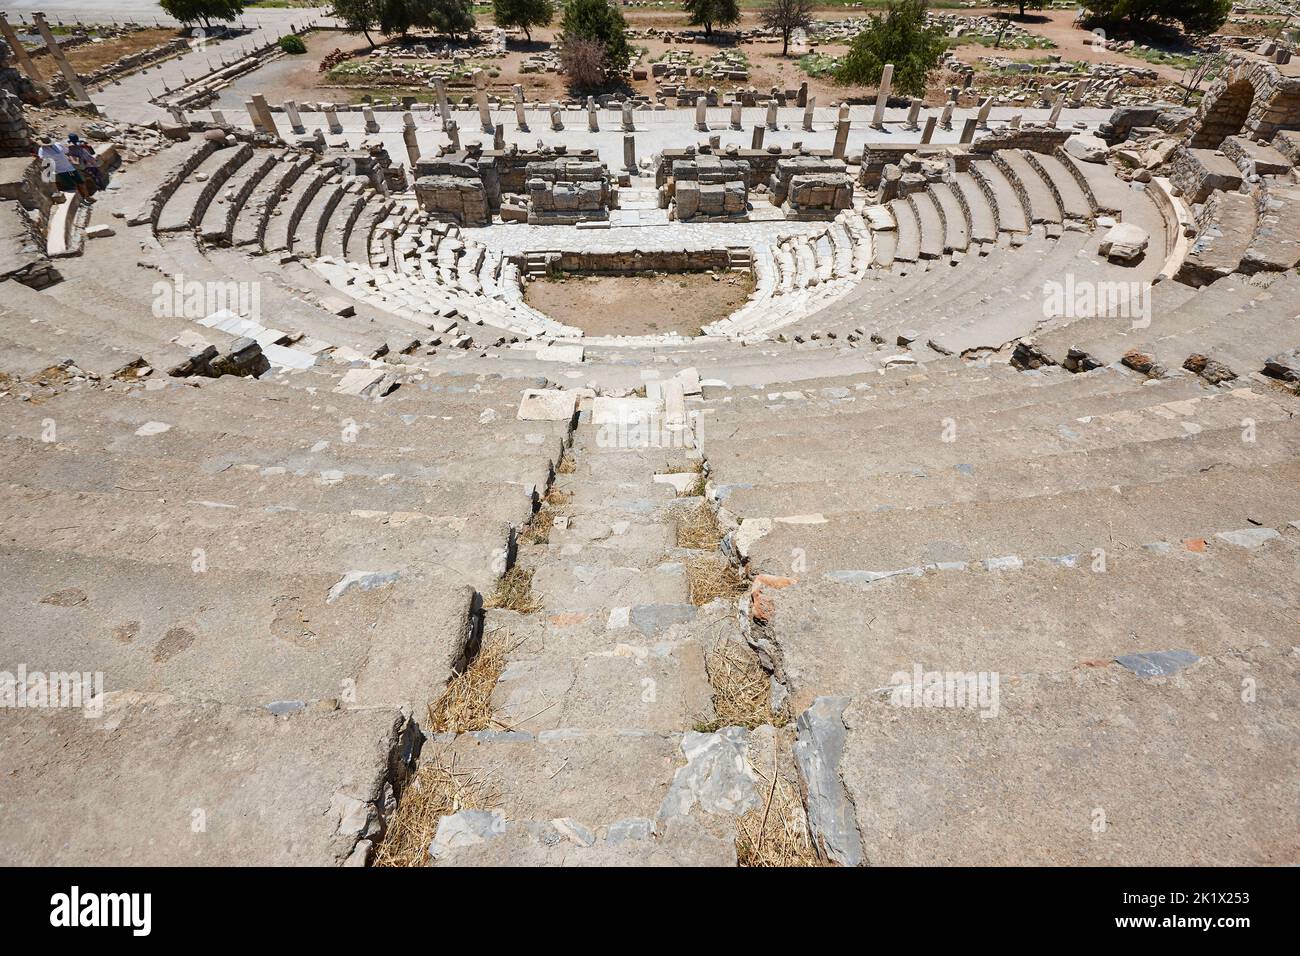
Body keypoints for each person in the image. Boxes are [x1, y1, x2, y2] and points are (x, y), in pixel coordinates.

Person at [35, 135, 91, 202]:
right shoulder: (42, 150)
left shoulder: (57, 145)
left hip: (69, 168)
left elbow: (66, 151)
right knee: (73, 185)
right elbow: (43, 160)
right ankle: (82, 200)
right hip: (61, 170)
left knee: (80, 183)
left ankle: (87, 197)